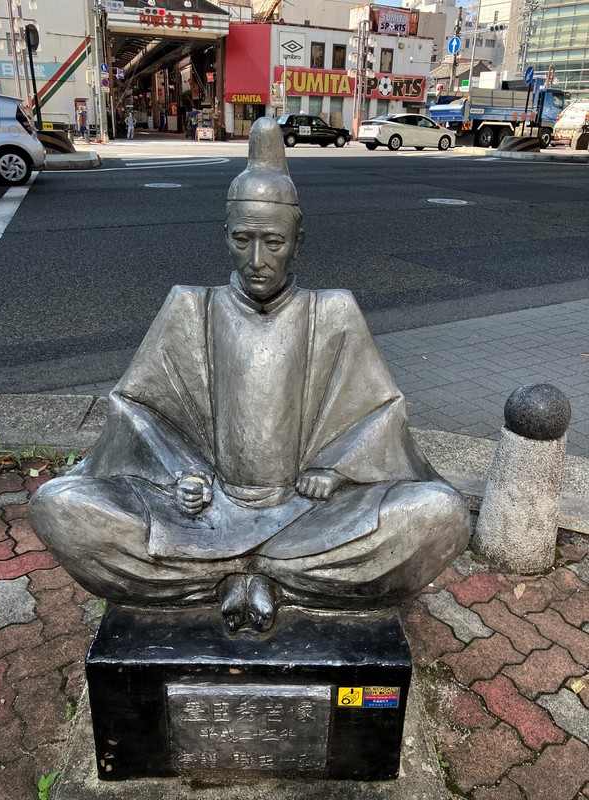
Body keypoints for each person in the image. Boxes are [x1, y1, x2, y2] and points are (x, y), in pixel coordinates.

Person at [28, 117, 470, 634]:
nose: (257, 260)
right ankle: (261, 578)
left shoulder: (332, 312)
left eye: (274, 242)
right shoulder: (190, 308)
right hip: (201, 515)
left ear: (298, 242)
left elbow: (379, 414)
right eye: (243, 240)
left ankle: (238, 578)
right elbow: (137, 411)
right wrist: (182, 475)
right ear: (226, 238)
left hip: (306, 516)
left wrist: (334, 470)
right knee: (58, 505)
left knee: (441, 514)